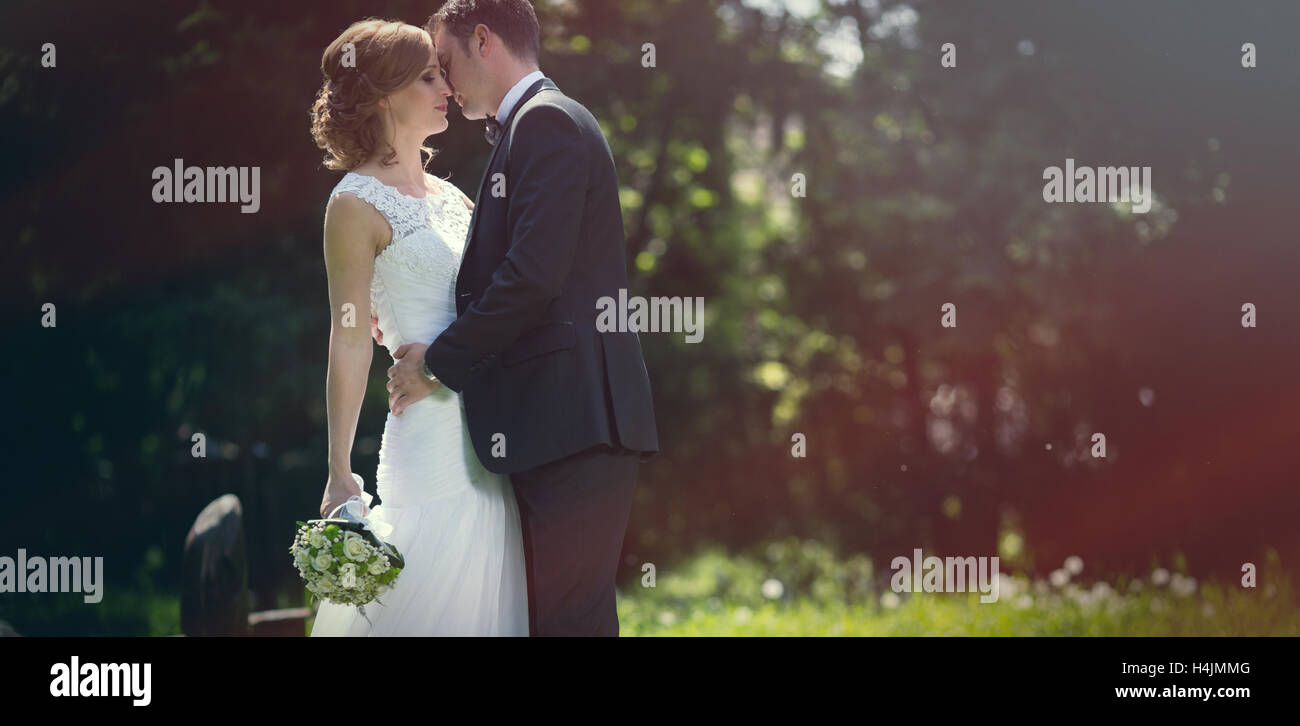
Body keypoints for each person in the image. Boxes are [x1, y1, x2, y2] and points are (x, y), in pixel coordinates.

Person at [382, 0, 659, 636]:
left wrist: (441, 363)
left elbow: (534, 276)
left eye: (446, 63)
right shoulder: (539, 122)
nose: (445, 83)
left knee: (568, 622)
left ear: (484, 41)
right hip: (564, 421)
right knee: (563, 619)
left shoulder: (546, 123)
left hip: (574, 420)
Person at [307, 18, 527, 636]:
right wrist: (337, 466)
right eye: (428, 76)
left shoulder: (453, 200)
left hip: (486, 435)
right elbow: (349, 335)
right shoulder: (353, 204)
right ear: (382, 97)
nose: (447, 87)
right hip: (426, 440)